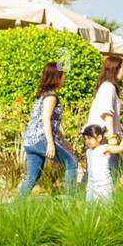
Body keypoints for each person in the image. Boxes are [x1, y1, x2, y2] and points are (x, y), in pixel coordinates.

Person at [17, 62, 78, 196]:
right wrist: (50, 143)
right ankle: (71, 202)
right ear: (57, 77)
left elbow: (51, 122)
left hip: (30, 142)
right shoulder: (51, 97)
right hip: (42, 140)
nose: (65, 77)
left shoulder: (42, 95)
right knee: (71, 162)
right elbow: (45, 119)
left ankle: (15, 207)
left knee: (32, 178)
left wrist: (63, 140)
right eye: (63, 75)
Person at [81, 124, 123, 201]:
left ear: (99, 137)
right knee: (89, 211)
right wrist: (87, 184)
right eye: (85, 139)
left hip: (104, 187)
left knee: (105, 210)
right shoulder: (88, 152)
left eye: (89, 138)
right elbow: (90, 170)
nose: (87, 141)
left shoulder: (104, 148)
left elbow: (120, 148)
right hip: (91, 187)